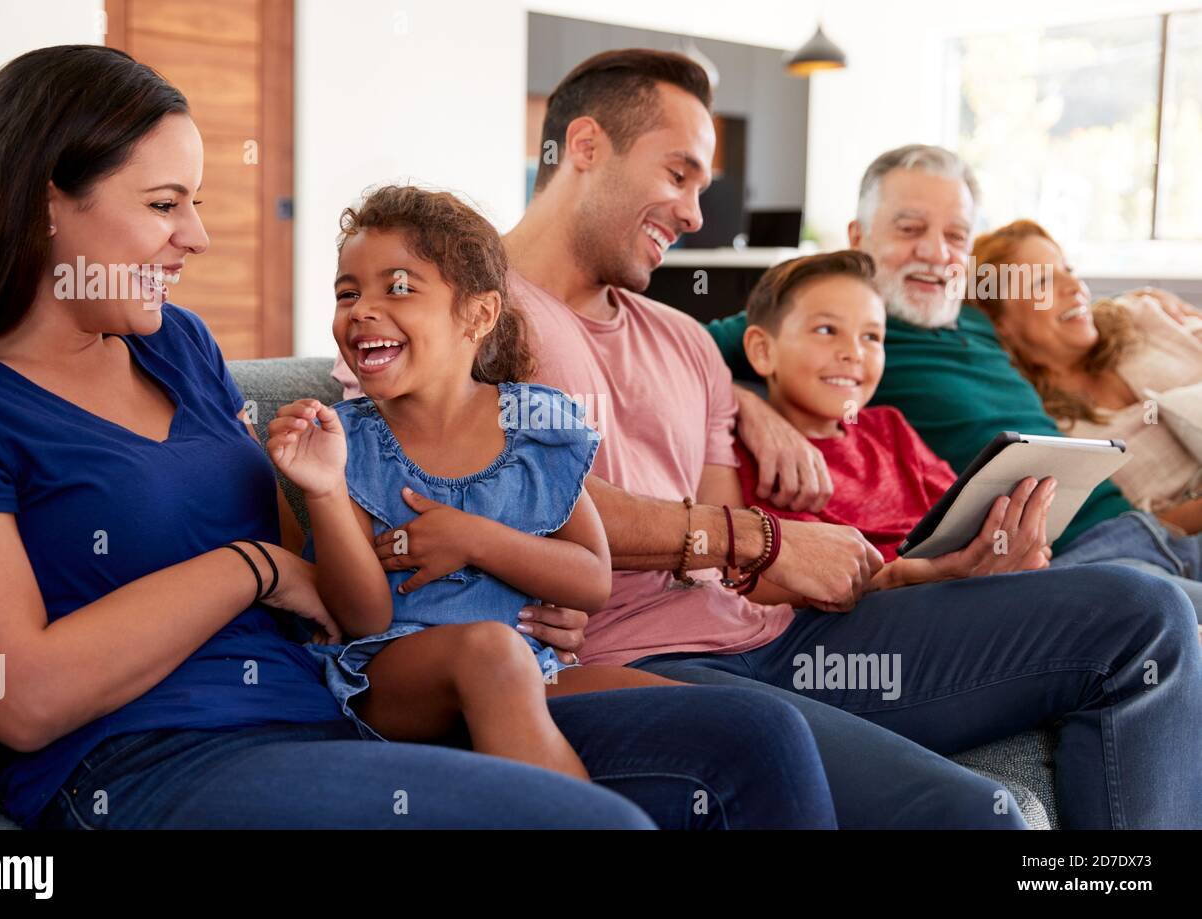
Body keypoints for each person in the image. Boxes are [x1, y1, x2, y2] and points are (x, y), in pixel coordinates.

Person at [0, 44, 838, 831]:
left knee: (756, 735)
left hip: (340, 704)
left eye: (195, 201)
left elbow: (333, 551)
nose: (197, 236)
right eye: (163, 203)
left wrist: (502, 579)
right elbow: (18, 697)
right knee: (587, 822)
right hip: (154, 758)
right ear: (42, 204)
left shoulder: (177, 348)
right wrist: (253, 567)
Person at [335, 50, 1202, 828]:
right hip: (632, 661)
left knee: (1146, 613)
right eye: (678, 174)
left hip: (777, 638)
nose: (695, 211)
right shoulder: (458, 316)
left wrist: (910, 572)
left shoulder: (681, 339)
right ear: (588, 146)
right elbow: (472, 484)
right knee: (979, 818)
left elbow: (726, 550)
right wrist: (752, 533)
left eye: (703, 184)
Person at [267, 186, 836, 823]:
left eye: (397, 287)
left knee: (752, 725)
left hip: (533, 668)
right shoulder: (346, 446)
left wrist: (475, 539)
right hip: (389, 677)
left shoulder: (535, 428)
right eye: (348, 293)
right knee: (490, 653)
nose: (363, 310)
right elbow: (364, 618)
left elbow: (590, 580)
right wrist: (320, 489)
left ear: (478, 315)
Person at [707, 144, 1202, 618]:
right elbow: (673, 350)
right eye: (909, 228)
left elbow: (1055, 313)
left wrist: (1141, 304)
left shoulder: (978, 320)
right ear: (857, 237)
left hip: (1142, 528)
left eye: (956, 236)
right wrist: (748, 407)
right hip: (1071, 556)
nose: (934, 251)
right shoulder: (838, 330)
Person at [732, 248, 1054, 593]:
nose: (853, 353)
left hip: (954, 592)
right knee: (1111, 589)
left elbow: (964, 517)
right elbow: (757, 584)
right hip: (863, 616)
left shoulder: (890, 428)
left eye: (871, 337)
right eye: (826, 330)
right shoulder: (742, 451)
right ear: (763, 351)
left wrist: (1007, 541)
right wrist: (903, 576)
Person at [970, 219, 1202, 535]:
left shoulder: (1144, 316)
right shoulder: (1045, 427)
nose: (1075, 286)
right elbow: (1124, 536)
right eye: (1043, 282)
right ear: (999, 322)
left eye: (1070, 270)